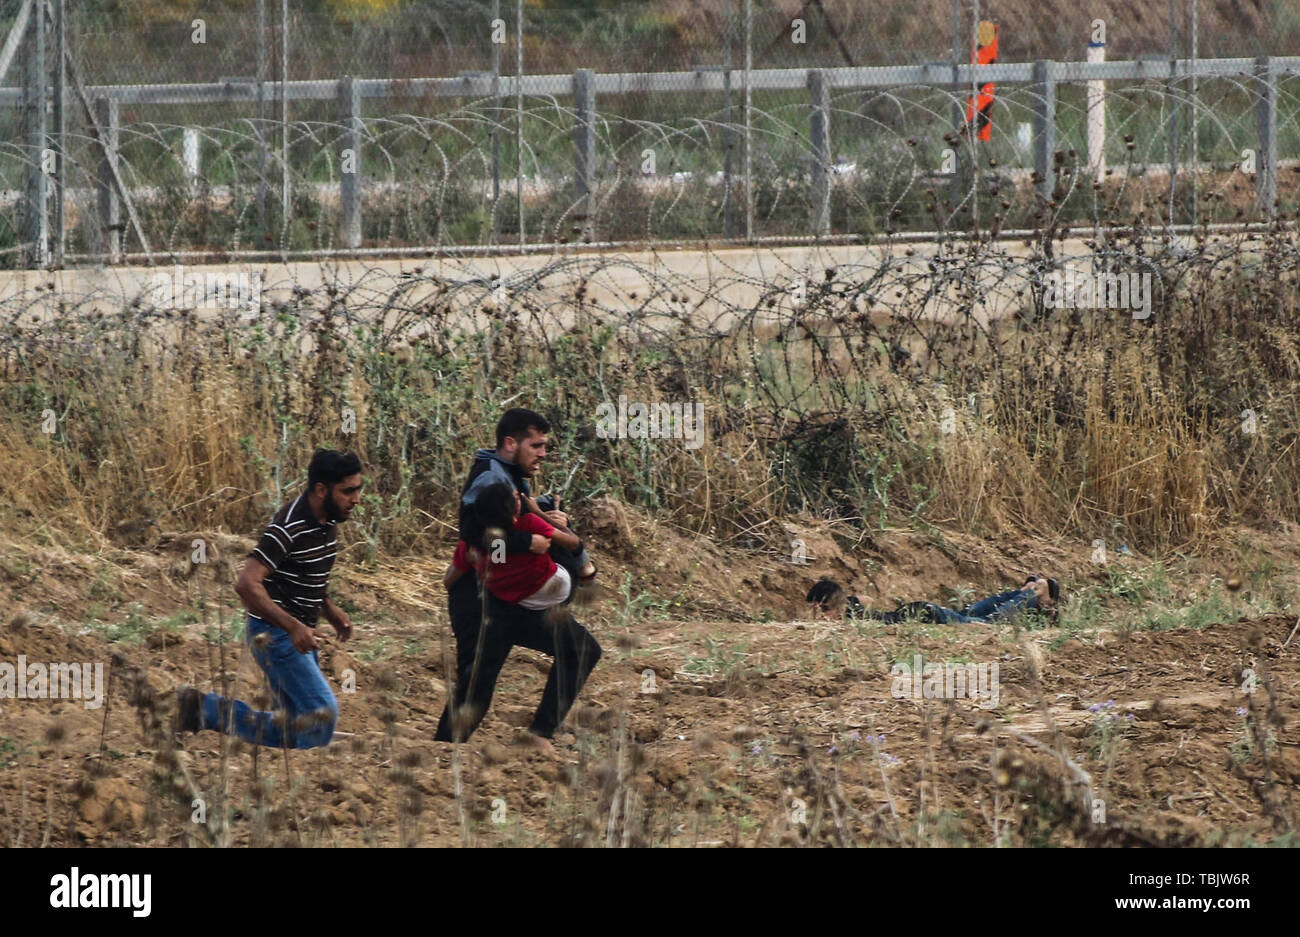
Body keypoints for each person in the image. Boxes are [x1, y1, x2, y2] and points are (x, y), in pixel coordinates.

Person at [434, 409, 602, 755]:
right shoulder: (491, 479)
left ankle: (539, 735)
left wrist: (539, 512)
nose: (543, 454)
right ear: (511, 443)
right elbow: (475, 535)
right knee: (476, 688)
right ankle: (441, 756)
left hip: (515, 595)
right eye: (536, 446)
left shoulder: (507, 476)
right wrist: (528, 541)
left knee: (580, 649)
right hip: (484, 599)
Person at [174, 450, 362, 749]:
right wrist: (293, 627)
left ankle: (200, 709)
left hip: (298, 635)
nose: (356, 499)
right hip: (277, 637)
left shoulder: (327, 520)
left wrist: (328, 608)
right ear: (321, 490)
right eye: (348, 491)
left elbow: (303, 573)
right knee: (321, 718)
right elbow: (247, 585)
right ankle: (208, 711)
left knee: (289, 729)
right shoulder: (286, 528)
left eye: (358, 489)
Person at [450, 482, 583, 611]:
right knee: (548, 510)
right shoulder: (530, 522)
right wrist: (539, 513)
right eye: (516, 498)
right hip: (557, 591)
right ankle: (587, 570)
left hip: (520, 600)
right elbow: (574, 543)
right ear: (515, 514)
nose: (518, 495)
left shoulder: (469, 544)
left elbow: (448, 580)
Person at [807, 575, 1061, 625]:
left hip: (924, 614)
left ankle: (1034, 593)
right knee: (972, 613)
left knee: (988, 623)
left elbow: (865, 600)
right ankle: (1028, 590)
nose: (821, 616)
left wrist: (835, 614)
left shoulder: (847, 615)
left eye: (824, 609)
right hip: (922, 611)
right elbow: (866, 598)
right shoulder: (849, 607)